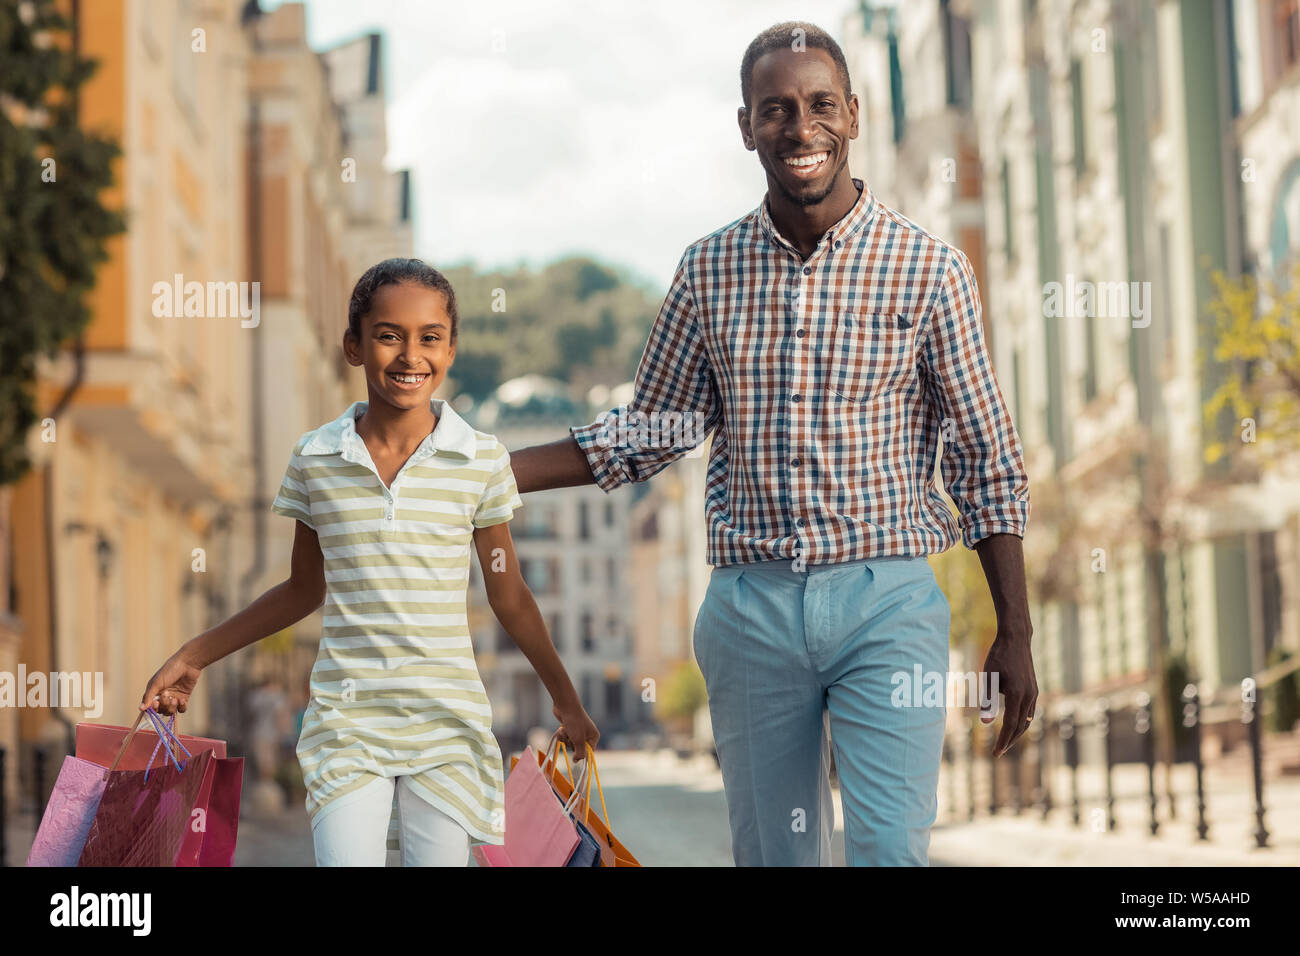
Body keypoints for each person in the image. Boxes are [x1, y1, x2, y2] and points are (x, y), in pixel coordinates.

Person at [508, 22, 1036, 866]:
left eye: (820, 104)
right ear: (747, 125)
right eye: (776, 109)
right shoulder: (707, 271)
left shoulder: (928, 269)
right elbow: (651, 435)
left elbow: (984, 460)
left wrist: (1015, 629)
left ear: (854, 116)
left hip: (887, 600)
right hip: (751, 611)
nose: (801, 127)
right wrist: (487, 471)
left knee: (890, 850)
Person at [141, 258, 599, 866]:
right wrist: (193, 655)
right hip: (346, 727)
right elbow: (302, 590)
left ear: (452, 349)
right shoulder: (316, 458)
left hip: (448, 728)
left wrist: (565, 700)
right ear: (354, 346)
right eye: (389, 335)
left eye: (430, 338)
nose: (412, 355)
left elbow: (507, 591)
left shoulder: (480, 459)